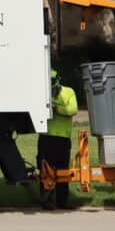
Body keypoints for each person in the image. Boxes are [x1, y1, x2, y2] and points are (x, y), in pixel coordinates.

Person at [38, 71, 80, 208]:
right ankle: (47, 201)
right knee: (45, 172)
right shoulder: (41, 92)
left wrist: (56, 108)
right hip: (46, 137)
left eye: (52, 80)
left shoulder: (68, 92)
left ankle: (62, 202)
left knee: (63, 172)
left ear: (58, 79)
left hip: (62, 138)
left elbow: (72, 109)